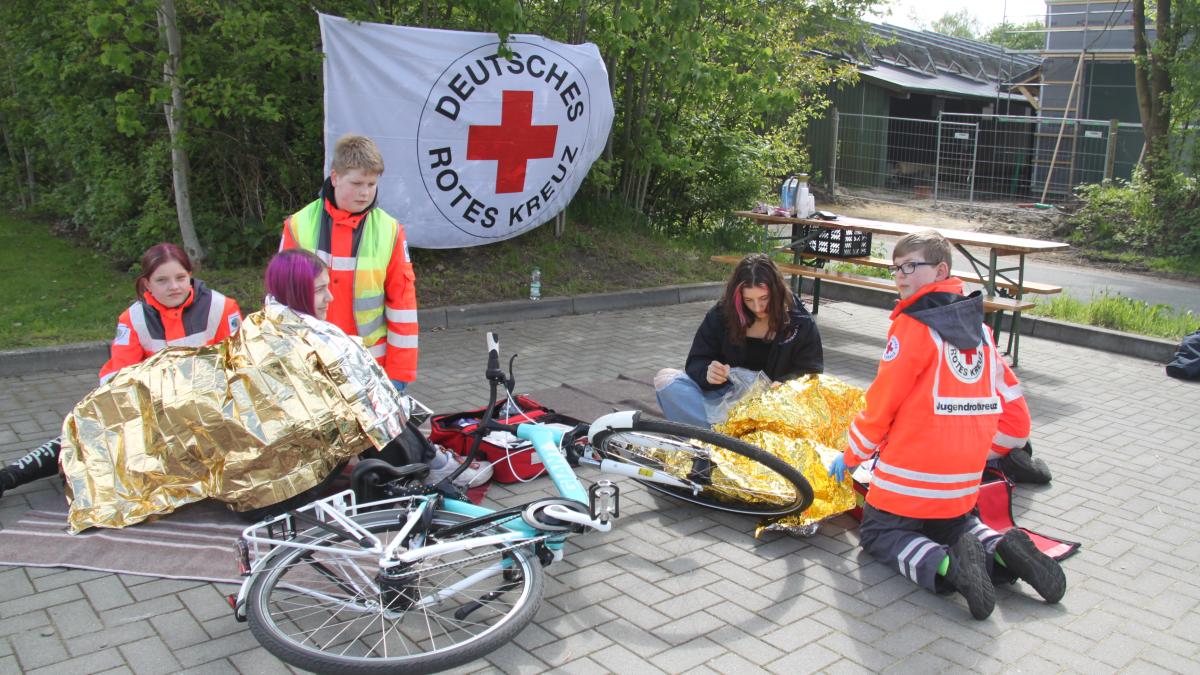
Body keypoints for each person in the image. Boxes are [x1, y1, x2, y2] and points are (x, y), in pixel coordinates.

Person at [827, 230, 1065, 621]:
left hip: (911, 473)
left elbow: (881, 404)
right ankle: (1002, 549)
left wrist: (851, 456)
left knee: (880, 535)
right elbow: (1015, 410)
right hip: (963, 478)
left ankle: (947, 568)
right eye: (896, 268)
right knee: (957, 526)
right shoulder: (982, 331)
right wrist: (991, 449)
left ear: (941, 270)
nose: (901, 276)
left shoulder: (914, 326)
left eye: (910, 267)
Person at [0, 243, 242, 497]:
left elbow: (235, 364)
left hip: (209, 407)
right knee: (85, 427)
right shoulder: (133, 318)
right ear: (147, 284)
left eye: (181, 277)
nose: (174, 286)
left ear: (190, 275)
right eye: (162, 280)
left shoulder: (222, 307)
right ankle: (12, 475)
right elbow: (119, 374)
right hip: (152, 407)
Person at [263, 249, 489, 491]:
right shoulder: (306, 342)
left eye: (327, 287)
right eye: (319, 290)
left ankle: (429, 459)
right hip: (289, 481)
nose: (330, 297)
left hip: (271, 472)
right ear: (294, 291)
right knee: (372, 408)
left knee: (374, 402)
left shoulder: (264, 327)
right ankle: (427, 465)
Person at [280, 133, 419, 392]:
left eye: (371, 183)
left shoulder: (390, 231)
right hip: (311, 366)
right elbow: (280, 301)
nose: (365, 192)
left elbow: (403, 306)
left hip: (369, 368)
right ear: (335, 178)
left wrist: (399, 374)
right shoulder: (298, 225)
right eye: (356, 183)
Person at [655, 253, 823, 427]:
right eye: (748, 300)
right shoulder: (722, 315)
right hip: (726, 399)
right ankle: (726, 433)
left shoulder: (799, 322)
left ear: (776, 292)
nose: (757, 307)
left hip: (775, 406)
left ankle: (725, 434)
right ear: (738, 296)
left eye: (764, 298)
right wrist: (708, 373)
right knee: (665, 381)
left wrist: (785, 385)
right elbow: (696, 360)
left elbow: (812, 372)